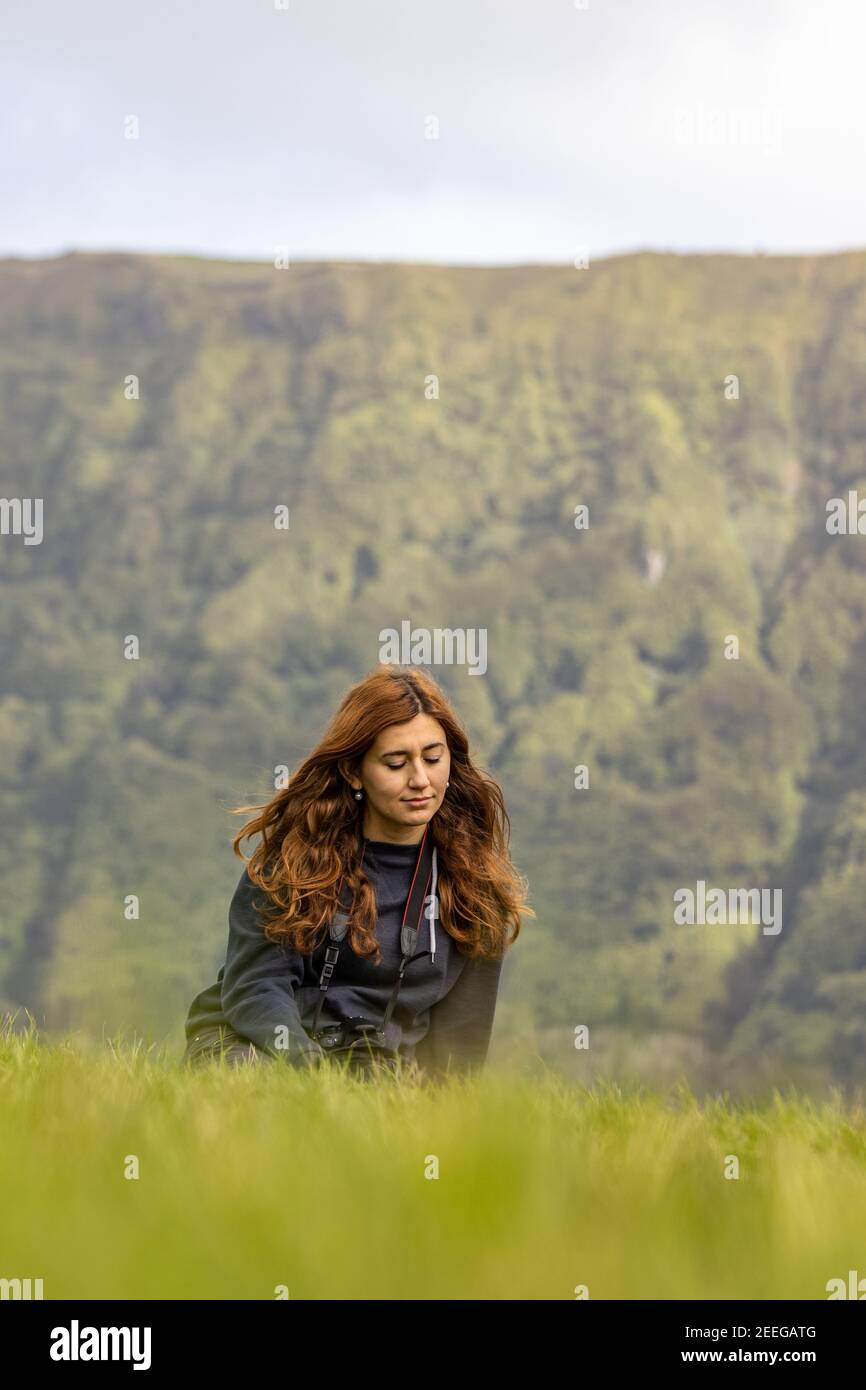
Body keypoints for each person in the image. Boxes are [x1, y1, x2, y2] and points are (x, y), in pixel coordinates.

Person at [180, 664, 534, 1081]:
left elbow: (458, 1053)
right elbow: (257, 987)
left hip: (371, 1070)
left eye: (433, 758)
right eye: (396, 763)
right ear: (353, 771)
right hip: (255, 1046)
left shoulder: (475, 892)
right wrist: (311, 1072)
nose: (421, 780)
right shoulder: (294, 860)